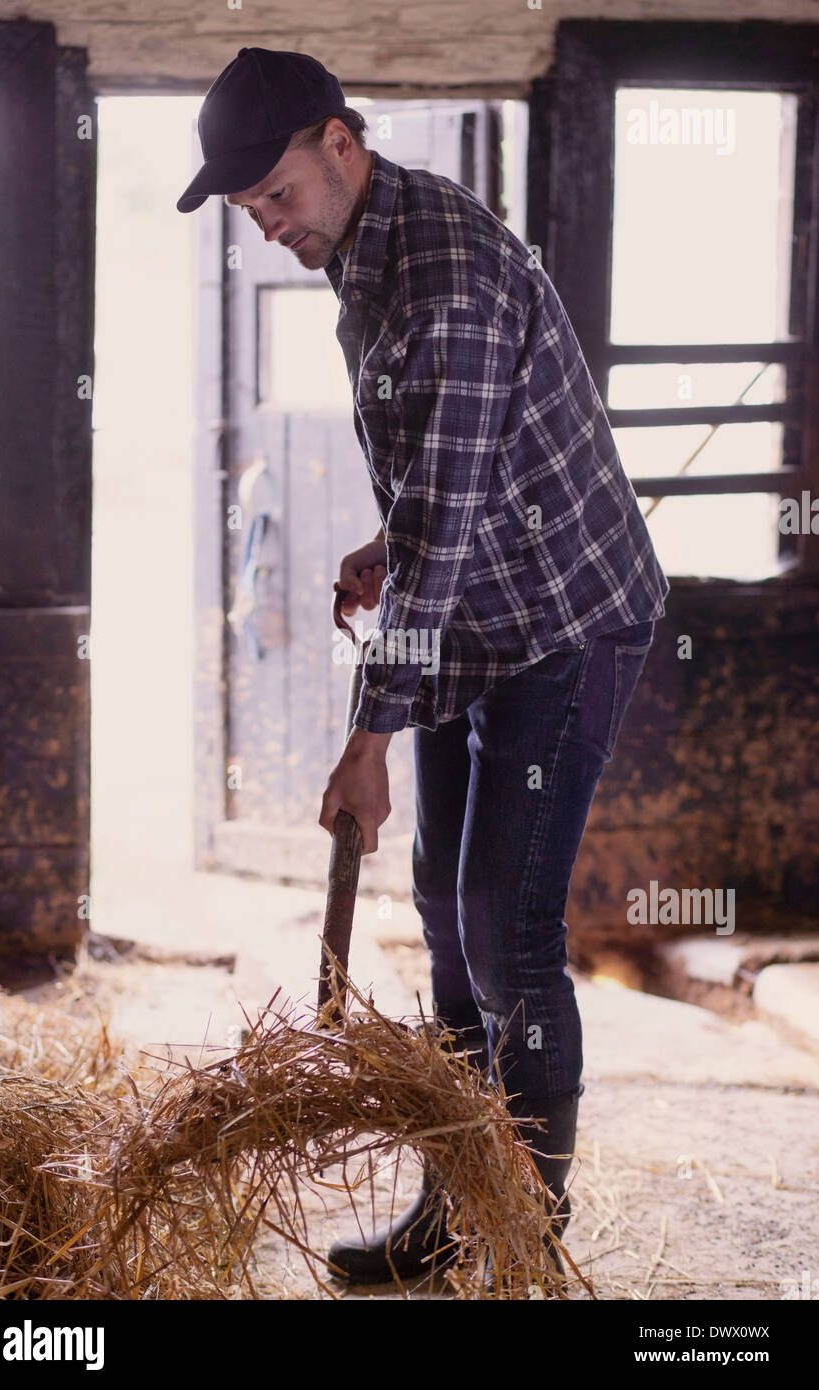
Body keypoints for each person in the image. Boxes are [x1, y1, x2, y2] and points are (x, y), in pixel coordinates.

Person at [178, 45, 669, 1286]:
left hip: (560, 617)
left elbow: (446, 528)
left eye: (277, 195)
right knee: (446, 922)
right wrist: (381, 539)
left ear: (340, 142)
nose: (270, 227)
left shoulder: (439, 280)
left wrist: (365, 743)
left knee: (507, 931)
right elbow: (441, 485)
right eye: (249, 213)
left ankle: (524, 1241)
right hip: (473, 606)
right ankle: (453, 1210)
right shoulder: (364, 254)